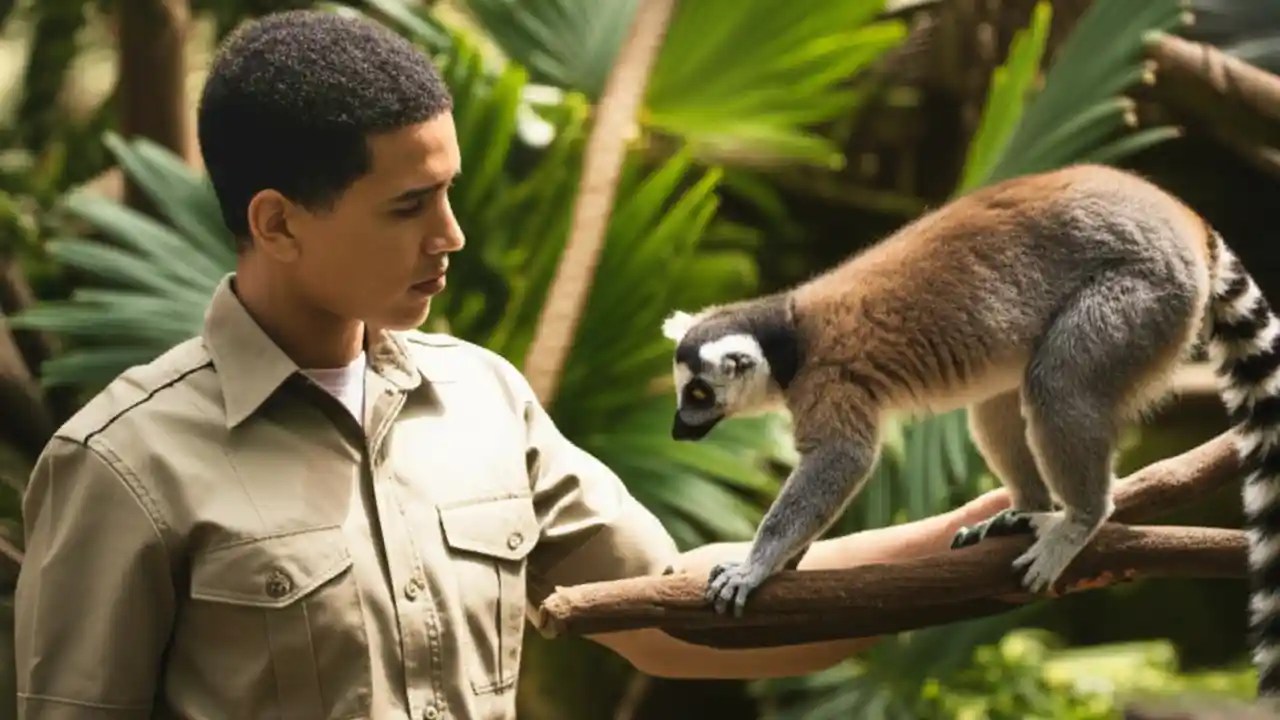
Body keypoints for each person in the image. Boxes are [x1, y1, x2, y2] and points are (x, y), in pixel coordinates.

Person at [11, 9, 1010, 720]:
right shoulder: (124, 467)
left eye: (445, 194)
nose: (450, 235)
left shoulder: (482, 402)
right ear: (276, 221)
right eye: (407, 207)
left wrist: (981, 547)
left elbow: (675, 613)